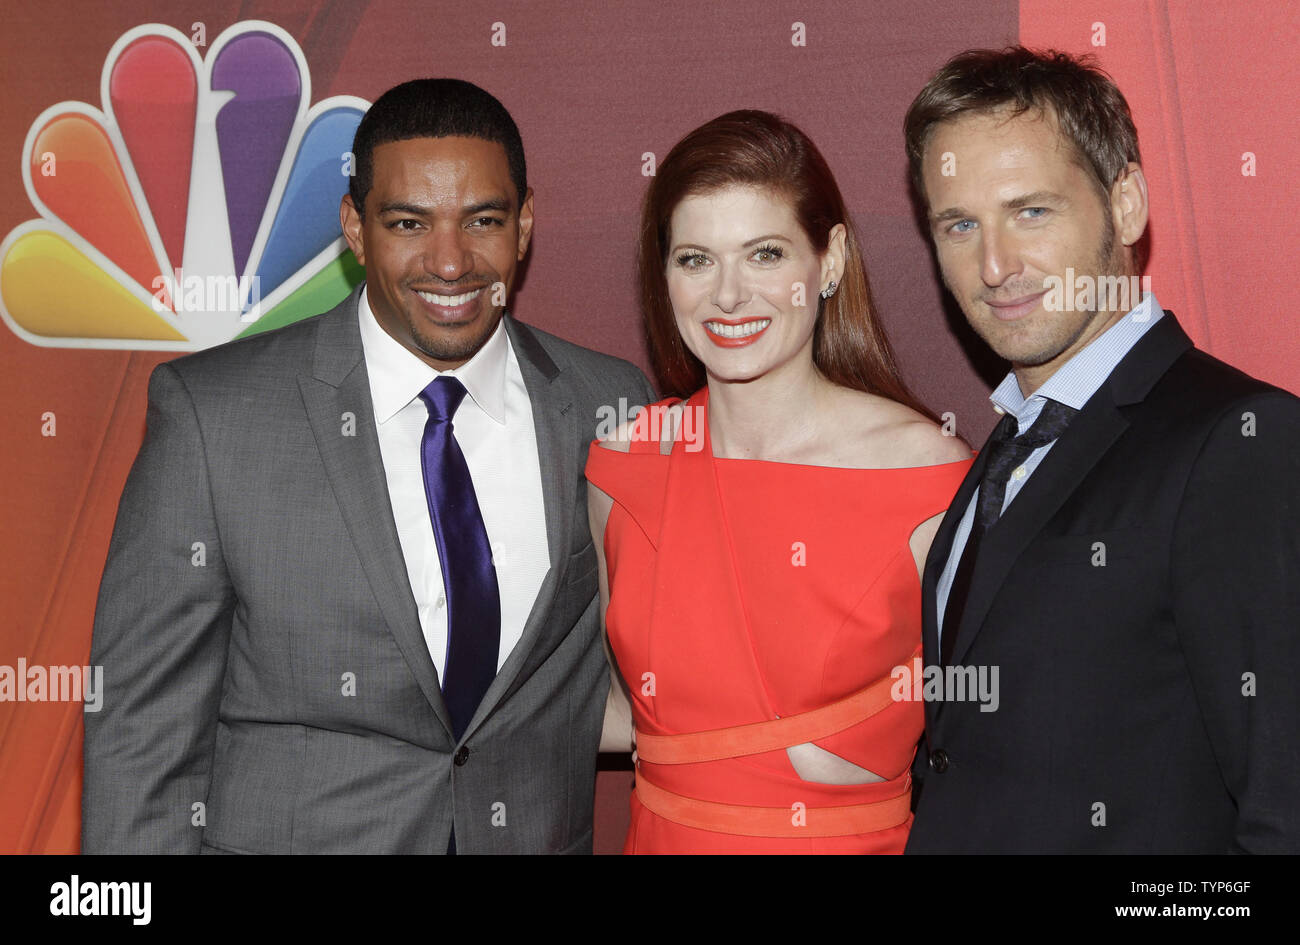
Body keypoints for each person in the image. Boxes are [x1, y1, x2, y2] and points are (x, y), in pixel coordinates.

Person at [81, 78, 655, 854]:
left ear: (525, 225)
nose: (450, 261)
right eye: (409, 222)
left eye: (483, 219)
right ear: (356, 228)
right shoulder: (214, 416)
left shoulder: (609, 404)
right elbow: (142, 732)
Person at [902, 47, 1300, 853]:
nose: (995, 265)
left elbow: (1284, 806)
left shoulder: (1238, 441)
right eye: (960, 224)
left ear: (1126, 204)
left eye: (1031, 211)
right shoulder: (1010, 446)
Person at [586, 110, 973, 853]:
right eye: (695, 259)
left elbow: (996, 726)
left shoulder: (927, 477)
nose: (728, 295)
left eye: (764, 254)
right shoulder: (621, 464)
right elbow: (622, 708)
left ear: (828, 263)